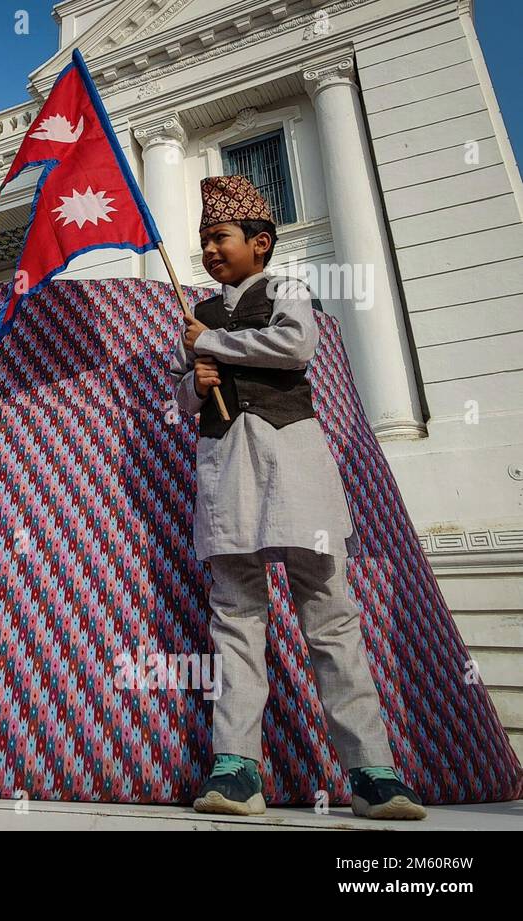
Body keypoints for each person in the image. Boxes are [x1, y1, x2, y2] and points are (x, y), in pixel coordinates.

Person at [169, 174, 426, 820]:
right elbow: (179, 402)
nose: (209, 250)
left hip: (296, 474)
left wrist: (214, 345)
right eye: (202, 240)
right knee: (235, 620)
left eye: (220, 237)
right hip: (228, 475)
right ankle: (236, 768)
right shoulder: (195, 315)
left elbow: (295, 345)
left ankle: (373, 773)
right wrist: (197, 383)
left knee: (331, 620)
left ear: (260, 243)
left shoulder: (285, 292)